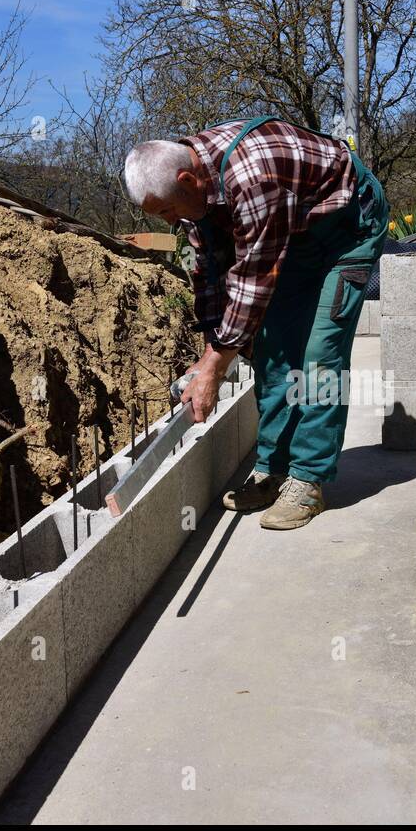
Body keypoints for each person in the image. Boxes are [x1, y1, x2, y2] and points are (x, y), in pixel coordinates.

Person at [123, 118, 388, 530]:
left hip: (345, 232)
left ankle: (309, 480)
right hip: (294, 236)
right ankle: (274, 468)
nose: (169, 222)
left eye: (168, 211)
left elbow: (251, 280)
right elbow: (211, 273)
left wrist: (214, 368)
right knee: (273, 348)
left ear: (188, 180)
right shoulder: (195, 198)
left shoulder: (252, 177)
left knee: (320, 355)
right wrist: (210, 352)